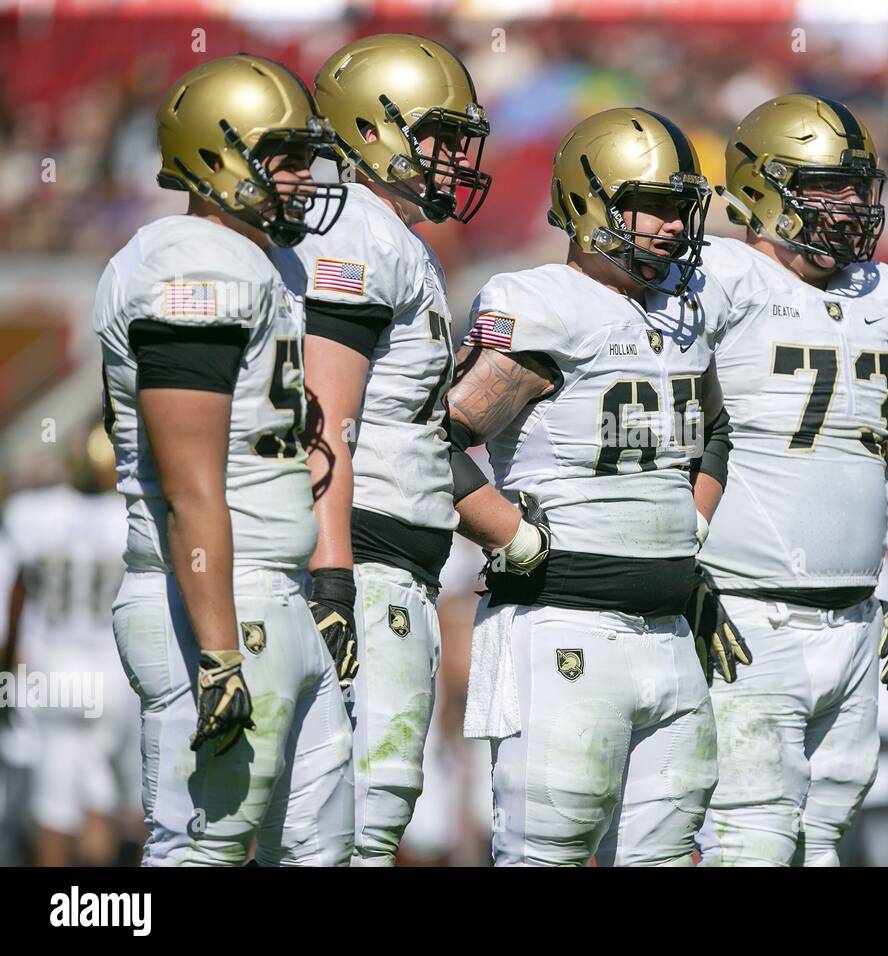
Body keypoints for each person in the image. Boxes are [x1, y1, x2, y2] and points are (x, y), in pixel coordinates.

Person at [449, 108, 736, 866]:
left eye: (682, 207)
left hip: (672, 633)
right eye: (654, 205)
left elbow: (717, 432)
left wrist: (690, 534)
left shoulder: (682, 314)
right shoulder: (543, 302)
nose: (673, 227)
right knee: (549, 852)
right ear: (588, 202)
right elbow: (436, 439)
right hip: (564, 626)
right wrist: (509, 535)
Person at [93, 54, 354, 865]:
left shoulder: (266, 262)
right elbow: (190, 479)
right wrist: (216, 654)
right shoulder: (188, 260)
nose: (304, 177)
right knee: (202, 851)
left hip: (272, 589)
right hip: (211, 594)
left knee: (320, 849)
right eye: (283, 157)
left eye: (308, 157)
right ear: (214, 158)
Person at [278, 33, 523, 866]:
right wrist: (334, 576)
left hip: (378, 556)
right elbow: (322, 418)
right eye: (440, 136)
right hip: (363, 560)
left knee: (336, 822)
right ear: (373, 127)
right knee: (349, 825)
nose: (456, 158)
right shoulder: (359, 233)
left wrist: (517, 537)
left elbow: (404, 432)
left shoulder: (385, 234)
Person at [693, 94, 888, 866]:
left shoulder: (881, 299)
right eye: (825, 184)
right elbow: (669, 442)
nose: (849, 204)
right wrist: (674, 569)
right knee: (748, 841)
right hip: (743, 614)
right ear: (762, 187)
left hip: (855, 620)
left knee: (826, 838)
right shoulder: (713, 282)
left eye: (856, 186)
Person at [2, 422, 139, 865]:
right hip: (115, 676)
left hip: (56, 672)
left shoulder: (32, 511)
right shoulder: (132, 517)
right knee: (103, 797)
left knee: (54, 805)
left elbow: (18, 595)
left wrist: (7, 668)